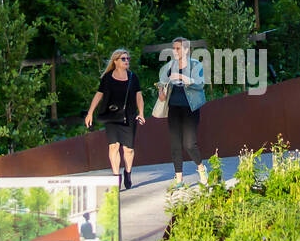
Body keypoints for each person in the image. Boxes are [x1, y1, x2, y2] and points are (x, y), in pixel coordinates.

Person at [84, 49, 145, 189]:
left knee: (128, 149)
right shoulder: (107, 77)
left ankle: (128, 173)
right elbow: (99, 95)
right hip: (111, 116)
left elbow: (139, 96)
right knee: (114, 145)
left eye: (128, 58)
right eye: (123, 59)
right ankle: (116, 177)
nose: (127, 61)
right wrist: (90, 112)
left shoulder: (132, 77)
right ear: (115, 61)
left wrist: (141, 112)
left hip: (128, 116)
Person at [158, 37, 207, 186]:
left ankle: (201, 168)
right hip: (174, 107)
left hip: (190, 107)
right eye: (173, 48)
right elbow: (161, 83)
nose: (175, 51)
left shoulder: (195, 64)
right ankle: (178, 178)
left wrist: (181, 76)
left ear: (186, 49)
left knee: (189, 144)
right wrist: (161, 92)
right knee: (175, 144)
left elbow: (200, 84)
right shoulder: (169, 66)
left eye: (178, 48)